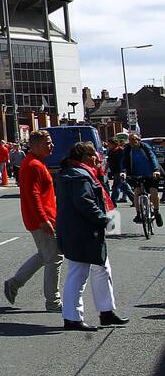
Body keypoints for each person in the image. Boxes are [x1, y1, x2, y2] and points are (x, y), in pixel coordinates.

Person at [55, 141, 128, 330]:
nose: (97, 157)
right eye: (93, 154)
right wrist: (104, 220)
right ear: (85, 158)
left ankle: (106, 312)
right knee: (78, 273)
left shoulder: (78, 173)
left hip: (81, 231)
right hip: (82, 232)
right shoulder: (80, 176)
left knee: (103, 269)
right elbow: (85, 203)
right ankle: (72, 318)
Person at [3, 131, 62, 313]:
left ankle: (14, 283)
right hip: (41, 220)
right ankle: (53, 301)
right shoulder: (34, 165)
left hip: (41, 218)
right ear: (35, 146)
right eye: (48, 143)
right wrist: (44, 219)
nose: (51, 146)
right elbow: (33, 195)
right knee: (54, 258)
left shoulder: (34, 162)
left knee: (44, 255)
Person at [124, 133, 163, 226]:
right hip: (136, 175)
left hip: (150, 174)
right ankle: (138, 214)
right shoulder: (128, 150)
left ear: (139, 139)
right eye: (130, 140)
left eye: (134, 139)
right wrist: (123, 171)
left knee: (153, 191)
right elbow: (123, 161)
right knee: (137, 192)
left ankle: (156, 212)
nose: (133, 142)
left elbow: (152, 158)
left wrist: (156, 170)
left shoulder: (145, 147)